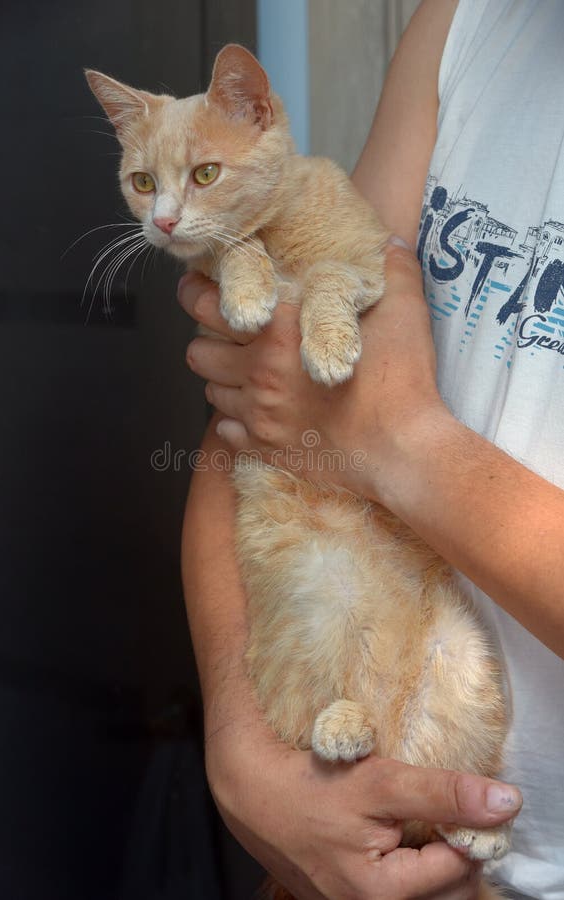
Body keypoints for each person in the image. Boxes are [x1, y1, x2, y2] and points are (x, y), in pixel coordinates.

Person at [178, 0, 564, 897]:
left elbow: (340, 416)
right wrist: (243, 750)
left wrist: (399, 441)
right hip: (357, 822)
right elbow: (260, 409)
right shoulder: (468, 19)